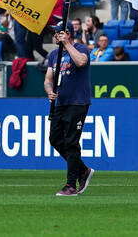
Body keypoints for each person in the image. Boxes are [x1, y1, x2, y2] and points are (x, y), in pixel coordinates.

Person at [44, 24, 94, 196]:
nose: (56, 37)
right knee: (55, 139)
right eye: (56, 34)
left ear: (68, 35)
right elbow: (48, 79)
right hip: (60, 103)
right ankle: (83, 170)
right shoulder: (53, 55)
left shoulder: (81, 48)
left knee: (72, 141)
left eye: (60, 34)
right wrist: (49, 90)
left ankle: (71, 184)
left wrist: (67, 45)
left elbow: (81, 62)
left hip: (77, 102)